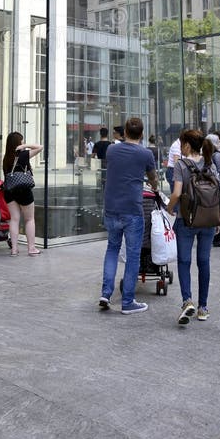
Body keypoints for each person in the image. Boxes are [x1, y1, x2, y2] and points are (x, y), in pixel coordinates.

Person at [99, 117, 158, 314]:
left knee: (112, 249)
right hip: (132, 209)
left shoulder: (111, 150)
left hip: (111, 207)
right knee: (133, 256)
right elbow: (153, 178)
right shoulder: (145, 153)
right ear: (141, 134)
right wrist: (154, 187)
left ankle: (106, 294)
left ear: (124, 131)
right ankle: (128, 302)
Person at [167, 129, 220, 325]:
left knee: (184, 261)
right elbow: (218, 193)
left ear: (187, 145)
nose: (181, 147)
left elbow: (176, 193)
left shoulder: (181, 165)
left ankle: (187, 300)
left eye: (182, 144)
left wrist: (169, 209)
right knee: (204, 261)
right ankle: (203, 307)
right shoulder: (210, 164)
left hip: (186, 219)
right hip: (207, 219)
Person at [2, 132, 43, 256]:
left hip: (9, 191)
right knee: (29, 219)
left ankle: (14, 249)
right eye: (22, 141)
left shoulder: (6, 157)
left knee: (14, 219)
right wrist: (25, 146)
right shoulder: (24, 154)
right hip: (23, 190)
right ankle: (31, 248)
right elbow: (40, 147)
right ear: (18, 143)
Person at [92, 127, 112, 205]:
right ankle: (107, 200)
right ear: (107, 134)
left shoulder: (97, 144)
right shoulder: (110, 144)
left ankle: (99, 201)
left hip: (99, 166)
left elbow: (93, 156)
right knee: (107, 183)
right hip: (108, 166)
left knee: (99, 183)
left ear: (100, 134)